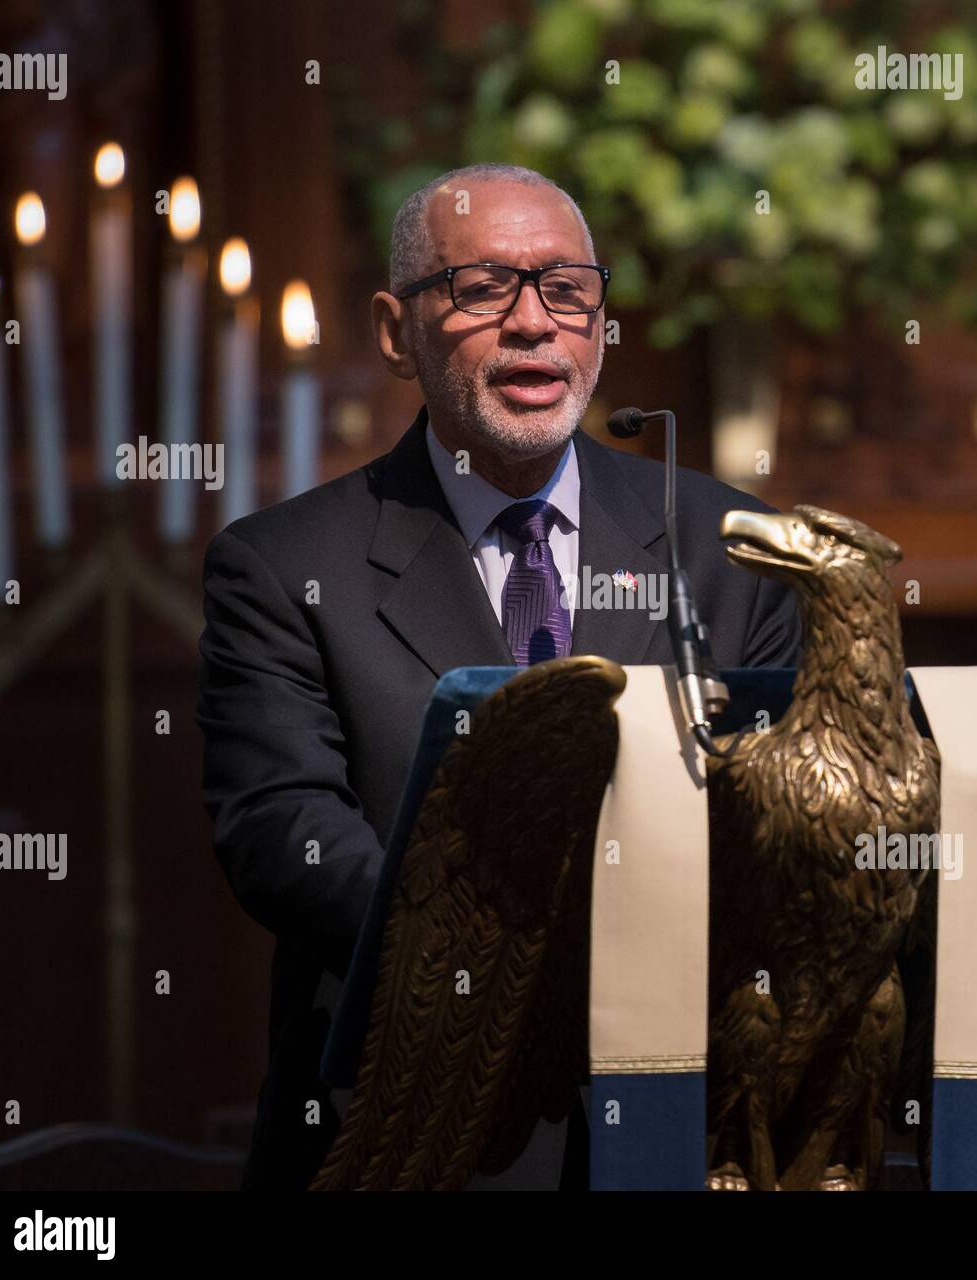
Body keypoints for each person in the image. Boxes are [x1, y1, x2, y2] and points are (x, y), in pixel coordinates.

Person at [197, 162, 800, 1190]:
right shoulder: (283, 564)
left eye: (566, 289)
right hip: (410, 1124)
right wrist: (521, 947)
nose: (533, 322)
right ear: (396, 331)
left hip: (679, 1125)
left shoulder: (730, 546)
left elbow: (784, 812)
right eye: (482, 288)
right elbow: (281, 834)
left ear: (600, 326)